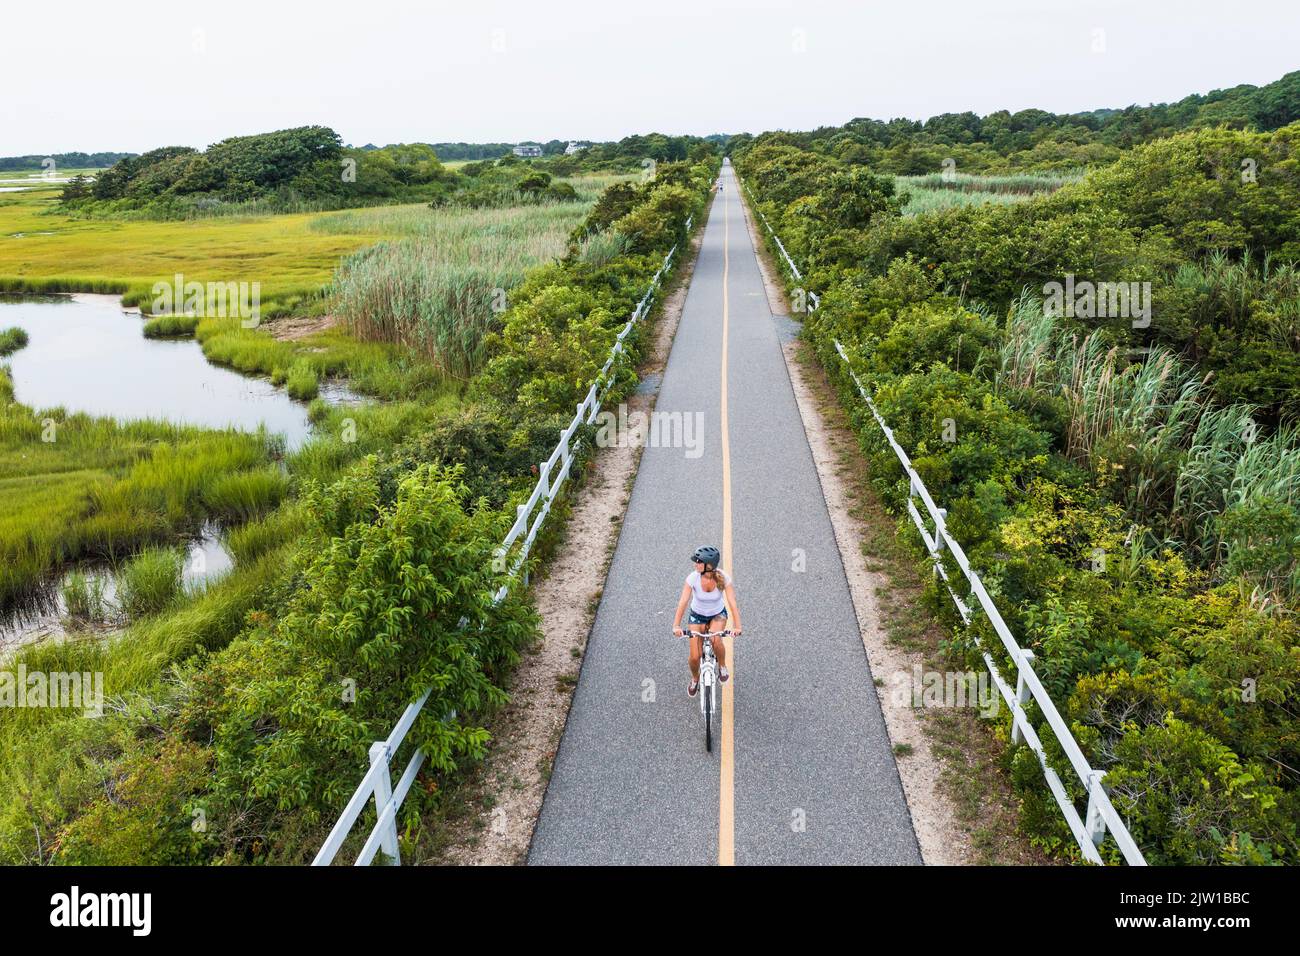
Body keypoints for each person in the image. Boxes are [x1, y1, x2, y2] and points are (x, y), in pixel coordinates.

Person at [672, 546, 743, 698]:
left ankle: (722, 667)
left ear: (708, 565)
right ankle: (695, 678)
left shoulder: (723, 578)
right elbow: (683, 601)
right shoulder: (693, 578)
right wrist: (676, 625)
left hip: (717, 614)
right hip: (697, 615)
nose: (695, 564)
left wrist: (738, 626)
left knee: (715, 639)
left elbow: (732, 602)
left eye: (698, 561)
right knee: (694, 656)